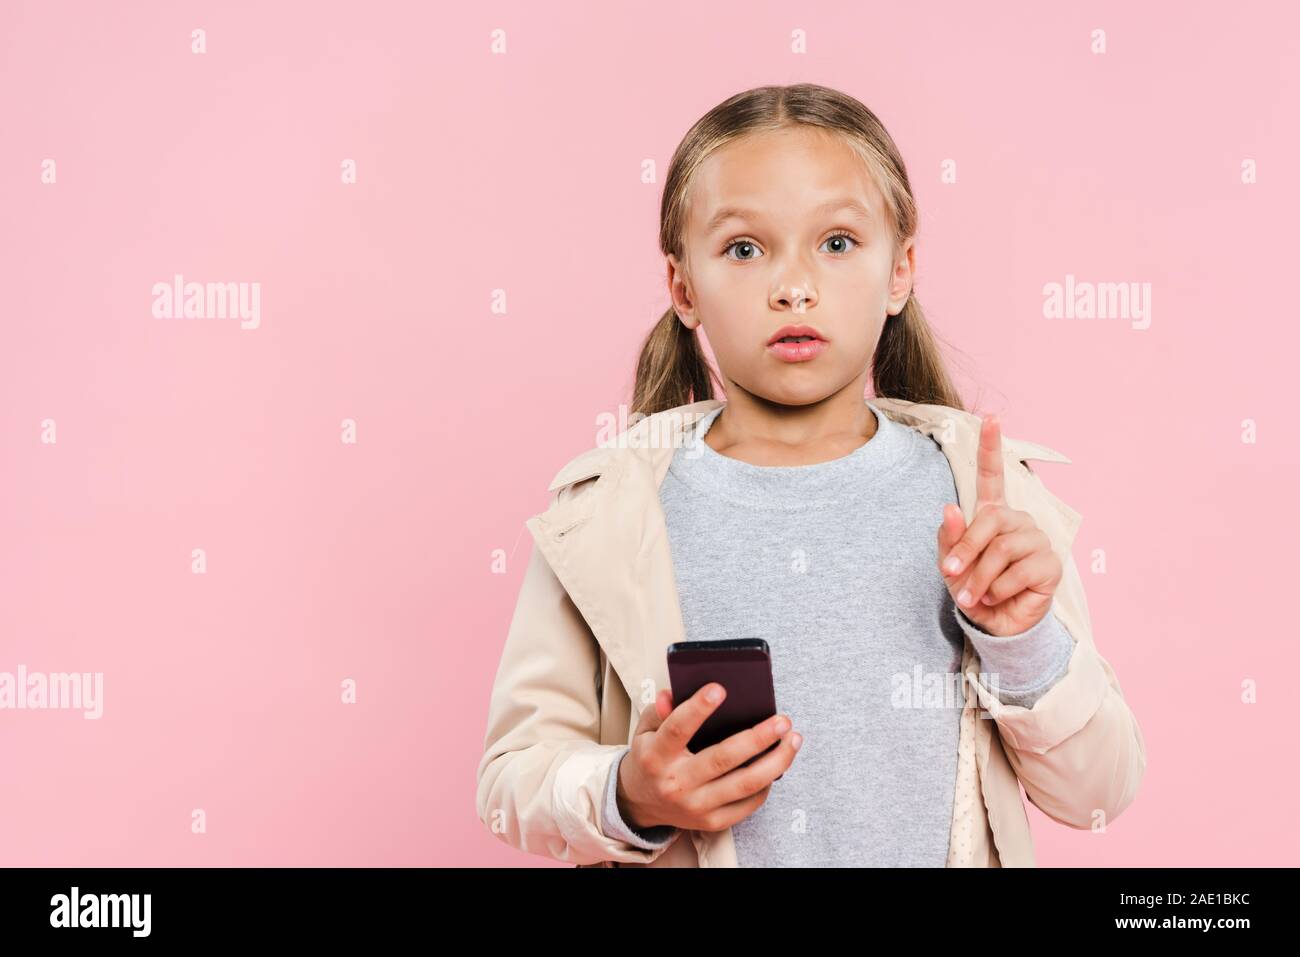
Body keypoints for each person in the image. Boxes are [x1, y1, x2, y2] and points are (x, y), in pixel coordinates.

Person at [476, 82, 1146, 868]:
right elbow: (510, 777)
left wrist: (1023, 645)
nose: (793, 285)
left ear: (901, 272)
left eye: (836, 242)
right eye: (744, 248)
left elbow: (1100, 791)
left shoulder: (985, 502)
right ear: (682, 288)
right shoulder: (608, 513)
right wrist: (631, 793)